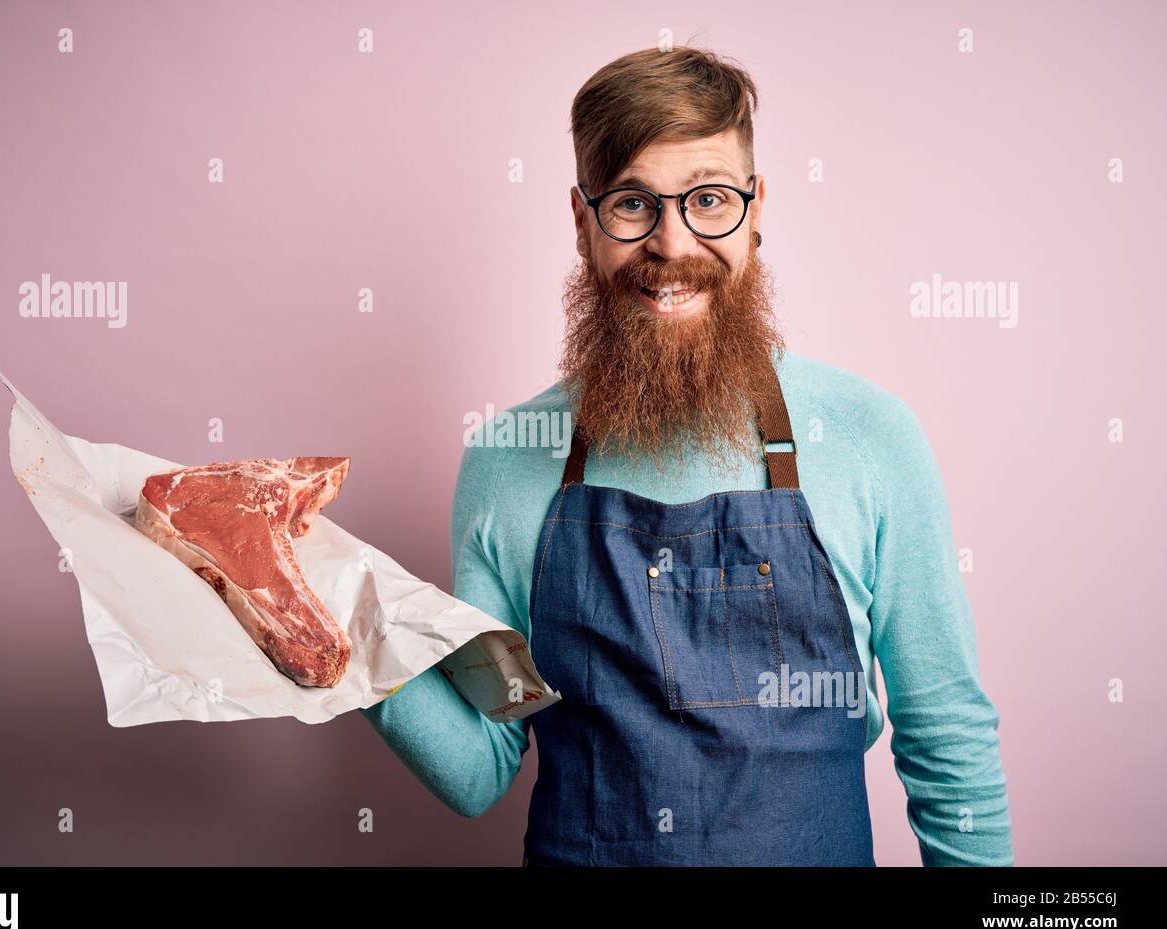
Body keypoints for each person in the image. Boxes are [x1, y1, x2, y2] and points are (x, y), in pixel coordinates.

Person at [362, 45, 1013, 867]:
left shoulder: (869, 437)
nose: (673, 244)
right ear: (581, 220)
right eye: (633, 203)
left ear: (755, 205)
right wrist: (343, 639)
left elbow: (946, 737)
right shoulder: (505, 460)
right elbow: (482, 768)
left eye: (709, 199)